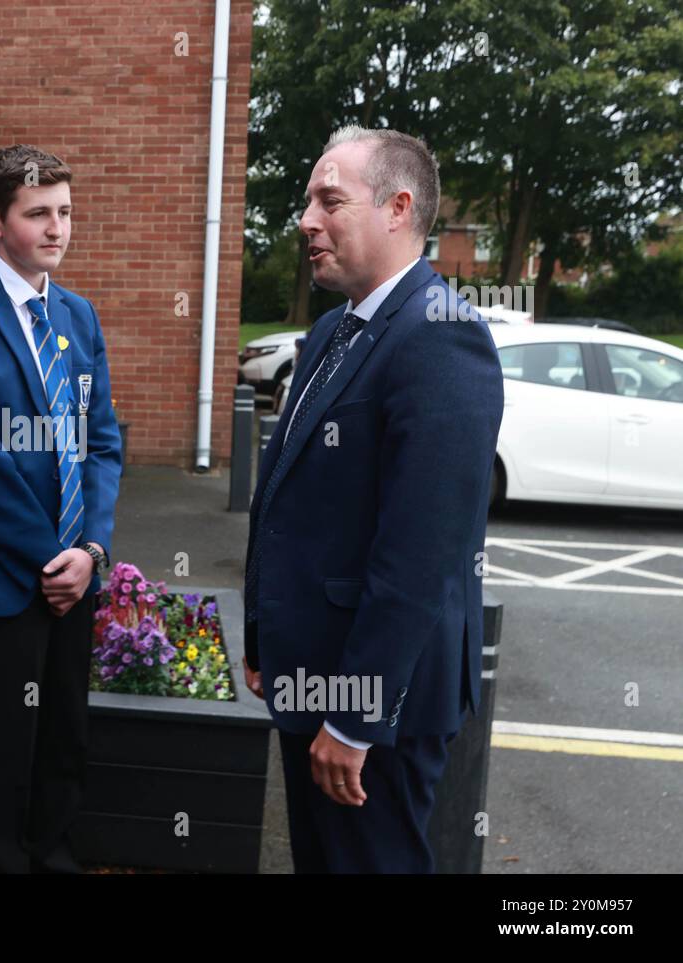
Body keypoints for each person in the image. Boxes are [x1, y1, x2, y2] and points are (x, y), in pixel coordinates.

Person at [242, 126, 504, 873]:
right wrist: (267, 638)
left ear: (397, 208)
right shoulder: (333, 329)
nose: (306, 222)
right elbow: (288, 494)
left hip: (374, 707)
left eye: (330, 200)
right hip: (311, 676)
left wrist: (356, 716)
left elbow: (422, 554)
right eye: (306, 203)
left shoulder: (441, 337)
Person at [0, 145, 123, 873]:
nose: (57, 227)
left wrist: (90, 554)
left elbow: (101, 444)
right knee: (2, 747)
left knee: (65, 735)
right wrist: (50, 560)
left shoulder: (77, 314)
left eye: (65, 212)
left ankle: (55, 860)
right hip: (4, 580)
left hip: (75, 572)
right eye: (39, 213)